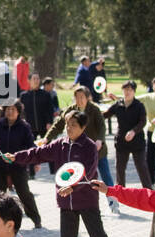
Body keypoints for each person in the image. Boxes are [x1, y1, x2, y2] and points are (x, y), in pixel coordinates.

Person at [6, 109, 119, 237]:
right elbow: (37, 153)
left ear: (83, 127)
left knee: (98, 236)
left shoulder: (89, 147)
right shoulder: (60, 144)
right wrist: (16, 157)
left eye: (73, 125)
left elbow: (88, 172)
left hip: (86, 199)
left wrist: (73, 187)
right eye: (67, 124)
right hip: (65, 200)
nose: (69, 128)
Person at [46, 85, 119, 215]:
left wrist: (100, 140)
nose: (79, 100)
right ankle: (82, 205)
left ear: (87, 98)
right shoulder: (71, 111)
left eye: (82, 97)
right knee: (82, 178)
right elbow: (58, 125)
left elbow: (102, 126)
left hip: (98, 150)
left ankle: (113, 202)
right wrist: (47, 139)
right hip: (80, 153)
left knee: (105, 176)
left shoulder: (94, 109)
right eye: (76, 97)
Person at [0, 101, 43, 229]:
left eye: (13, 109)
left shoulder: (24, 126)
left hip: (18, 165)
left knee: (24, 193)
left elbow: (31, 145)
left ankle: (36, 219)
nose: (10, 112)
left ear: (18, 112)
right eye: (8, 109)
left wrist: (36, 161)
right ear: (4, 111)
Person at [102, 81, 152, 189]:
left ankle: (149, 192)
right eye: (125, 90)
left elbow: (142, 122)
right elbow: (105, 115)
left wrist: (134, 131)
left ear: (134, 91)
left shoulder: (139, 106)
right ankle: (121, 192)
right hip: (121, 142)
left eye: (130, 90)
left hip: (137, 142)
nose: (127, 92)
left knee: (142, 168)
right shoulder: (118, 105)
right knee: (119, 169)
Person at [19, 77, 59, 175]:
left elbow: (50, 109)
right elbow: (21, 111)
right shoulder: (24, 95)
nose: (36, 81)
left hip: (44, 126)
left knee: (49, 147)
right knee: (30, 149)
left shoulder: (45, 94)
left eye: (37, 79)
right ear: (29, 81)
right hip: (30, 127)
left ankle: (54, 170)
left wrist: (49, 122)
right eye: (34, 79)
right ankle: (31, 172)